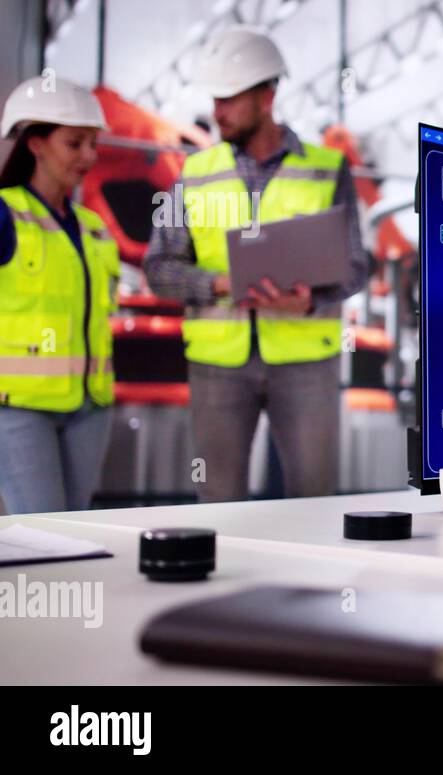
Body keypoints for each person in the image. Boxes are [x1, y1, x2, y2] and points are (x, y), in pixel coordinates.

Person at [144, 26, 368, 502]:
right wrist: (222, 283)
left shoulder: (328, 168)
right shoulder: (193, 173)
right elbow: (159, 267)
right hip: (217, 364)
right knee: (217, 501)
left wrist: (310, 301)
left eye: (228, 99)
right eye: (215, 99)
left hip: (307, 361)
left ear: (266, 97)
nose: (217, 111)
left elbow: (355, 265)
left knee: (314, 500)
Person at [0, 76, 119, 514]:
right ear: (35, 144)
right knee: (43, 531)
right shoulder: (5, 214)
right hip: (21, 408)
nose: (89, 156)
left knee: (74, 528)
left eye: (92, 144)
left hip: (90, 406)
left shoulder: (94, 227)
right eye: (74, 143)